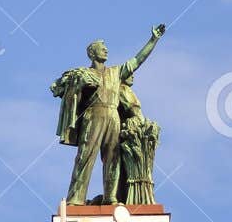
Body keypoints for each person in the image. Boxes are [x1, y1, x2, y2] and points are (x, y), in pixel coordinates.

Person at [51, 25, 165, 205]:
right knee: (85, 156)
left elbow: (137, 60)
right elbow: (68, 92)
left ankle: (110, 196)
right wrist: (78, 85)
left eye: (106, 48)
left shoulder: (115, 72)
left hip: (113, 116)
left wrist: (153, 40)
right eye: (101, 48)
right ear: (92, 53)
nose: (106, 50)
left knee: (113, 157)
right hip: (93, 115)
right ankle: (75, 198)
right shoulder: (85, 73)